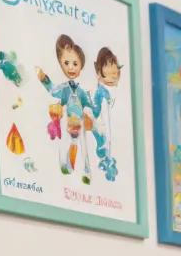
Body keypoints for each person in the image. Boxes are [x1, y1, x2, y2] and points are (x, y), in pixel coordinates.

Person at [36, 33, 93, 183]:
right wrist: (44, 79)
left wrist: (90, 114)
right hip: (68, 120)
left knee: (83, 146)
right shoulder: (65, 88)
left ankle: (86, 171)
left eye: (75, 64)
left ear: (81, 65)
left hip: (79, 121)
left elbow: (88, 104)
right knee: (65, 143)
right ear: (61, 64)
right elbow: (53, 90)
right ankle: (65, 166)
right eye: (66, 63)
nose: (71, 68)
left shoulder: (80, 91)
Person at [90, 45, 120, 181]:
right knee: (105, 146)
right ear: (99, 73)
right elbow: (99, 115)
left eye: (115, 74)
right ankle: (106, 163)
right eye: (108, 74)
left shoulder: (107, 92)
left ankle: (107, 162)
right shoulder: (101, 93)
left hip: (105, 130)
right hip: (101, 129)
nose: (112, 78)